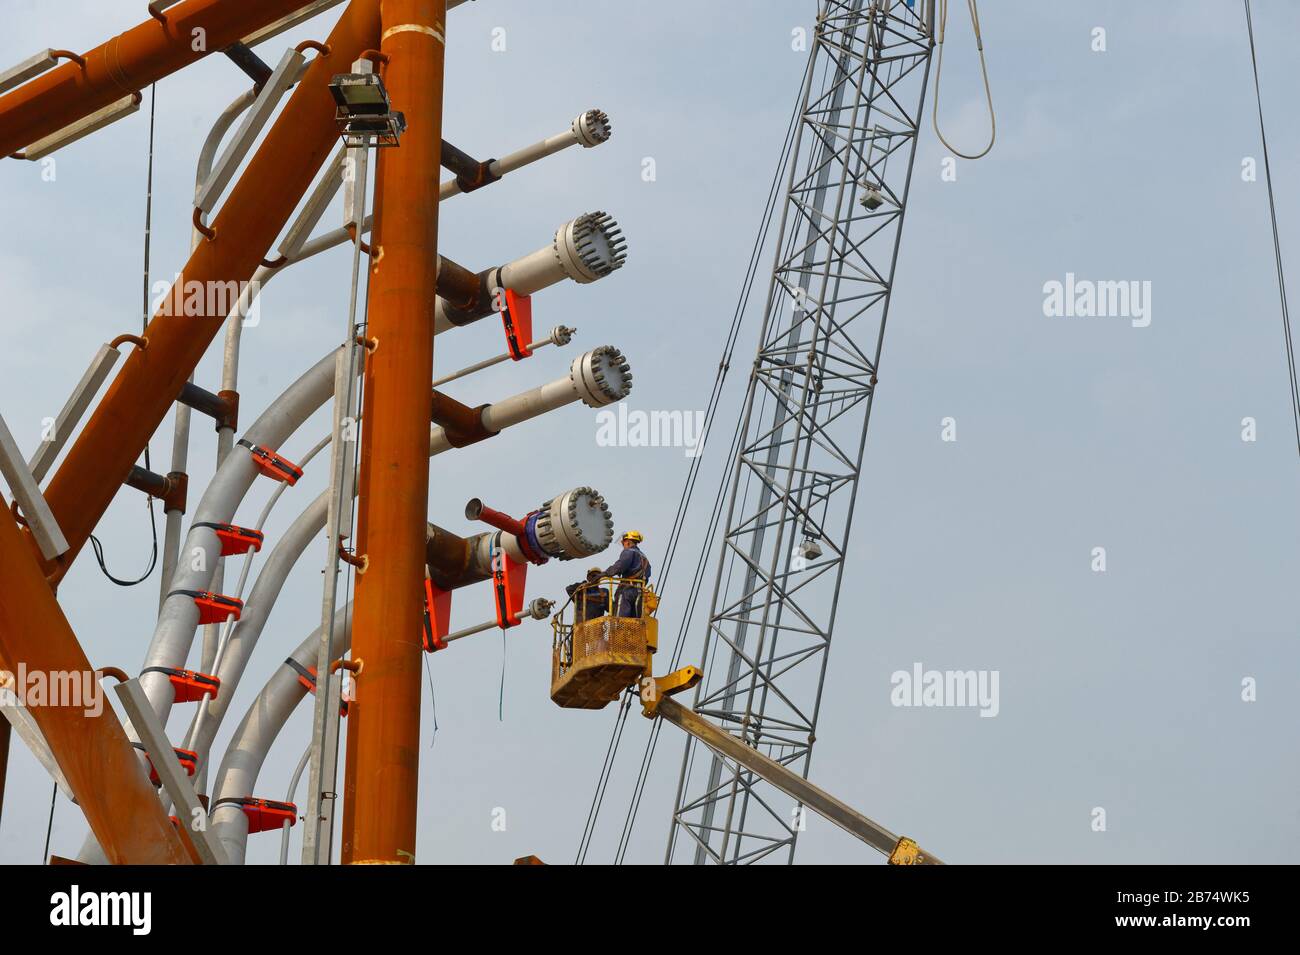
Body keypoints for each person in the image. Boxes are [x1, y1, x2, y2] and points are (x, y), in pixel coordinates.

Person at [604, 530, 651, 618]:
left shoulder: (629, 552)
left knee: (620, 620)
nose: (623, 546)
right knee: (635, 622)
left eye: (624, 543)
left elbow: (620, 566)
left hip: (627, 591)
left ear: (628, 542)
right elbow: (647, 576)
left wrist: (605, 574)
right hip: (639, 592)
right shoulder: (644, 558)